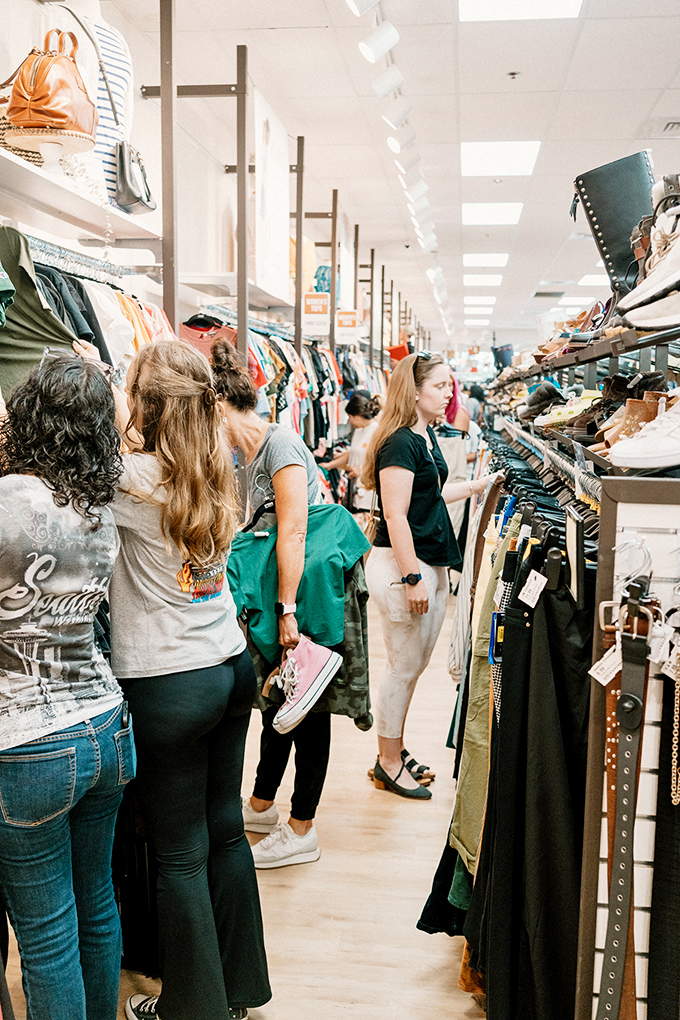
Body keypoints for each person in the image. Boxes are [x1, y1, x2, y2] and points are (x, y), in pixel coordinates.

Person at [73, 338, 271, 1020]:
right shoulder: (221, 466)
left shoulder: (128, 480)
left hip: (168, 683)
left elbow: (60, 473)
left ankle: (193, 1010)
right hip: (229, 664)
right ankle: (238, 990)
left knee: (180, 854)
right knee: (225, 832)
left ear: (144, 404)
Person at [0, 354, 134, 1020]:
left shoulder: (7, 501)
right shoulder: (99, 510)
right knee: (97, 906)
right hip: (104, 726)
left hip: (27, 738)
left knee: (47, 939)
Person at [211, 340, 370, 870]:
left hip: (308, 590)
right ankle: (260, 805)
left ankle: (302, 827)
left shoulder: (279, 442)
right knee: (282, 701)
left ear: (217, 406)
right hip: (286, 588)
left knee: (308, 705)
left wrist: (285, 610)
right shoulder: (245, 456)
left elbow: (296, 530)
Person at [361, 352, 494, 799]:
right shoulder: (400, 442)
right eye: (440, 386)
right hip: (405, 569)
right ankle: (387, 762)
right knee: (401, 669)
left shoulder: (424, 435)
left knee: (413, 668)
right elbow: (396, 517)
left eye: (450, 385)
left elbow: (431, 495)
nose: (450, 393)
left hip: (428, 564)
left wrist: (479, 486)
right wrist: (413, 577)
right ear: (414, 390)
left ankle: (394, 749)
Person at [323, 390, 381, 514]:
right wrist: (329, 465)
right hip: (355, 489)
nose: (349, 421)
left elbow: (381, 459)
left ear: (358, 415)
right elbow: (352, 453)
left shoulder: (377, 431)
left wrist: (362, 469)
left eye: (350, 417)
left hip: (369, 491)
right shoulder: (359, 431)